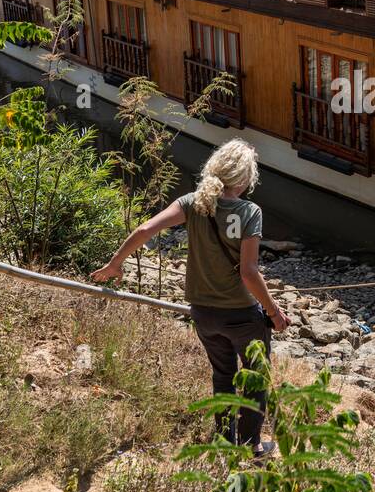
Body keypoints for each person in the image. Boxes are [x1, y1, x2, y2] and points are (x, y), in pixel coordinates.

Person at [91, 139, 289, 456]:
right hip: (242, 315)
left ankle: (225, 443)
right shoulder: (250, 211)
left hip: (203, 314)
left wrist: (116, 263)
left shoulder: (192, 203)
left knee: (223, 376)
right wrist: (275, 312)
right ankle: (251, 446)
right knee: (254, 378)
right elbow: (249, 273)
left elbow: (144, 230)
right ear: (244, 178)